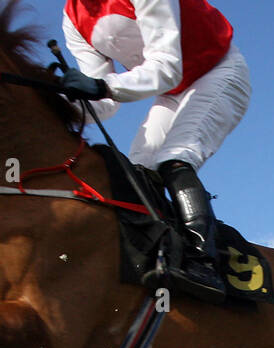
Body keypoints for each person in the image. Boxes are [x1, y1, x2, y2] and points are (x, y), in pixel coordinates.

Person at [61, 0, 251, 302]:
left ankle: (204, 265)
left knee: (175, 156)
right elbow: (105, 103)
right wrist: (66, 99)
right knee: (137, 172)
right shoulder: (72, 18)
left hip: (218, 72)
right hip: (173, 92)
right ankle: (156, 253)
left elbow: (166, 68)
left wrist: (98, 86)